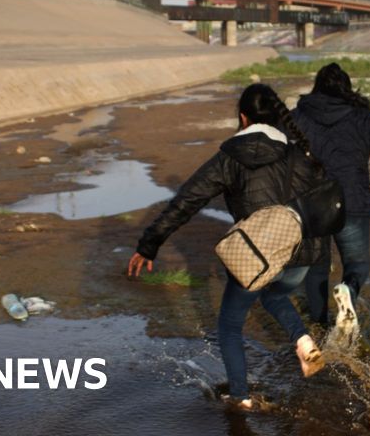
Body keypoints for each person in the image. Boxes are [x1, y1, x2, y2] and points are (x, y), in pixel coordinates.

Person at [128, 83, 328, 411]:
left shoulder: (229, 157)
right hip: (300, 253)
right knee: (274, 294)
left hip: (258, 253)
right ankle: (303, 341)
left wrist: (149, 245)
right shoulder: (296, 152)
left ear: (243, 117)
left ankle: (241, 397)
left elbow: (186, 201)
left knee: (230, 325)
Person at [292, 63, 370, 344]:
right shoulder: (363, 117)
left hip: (311, 202)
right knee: (357, 263)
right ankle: (348, 292)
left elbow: (281, 149)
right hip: (352, 200)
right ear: (347, 88)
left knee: (316, 266)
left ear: (317, 87)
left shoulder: (298, 116)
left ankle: (319, 323)